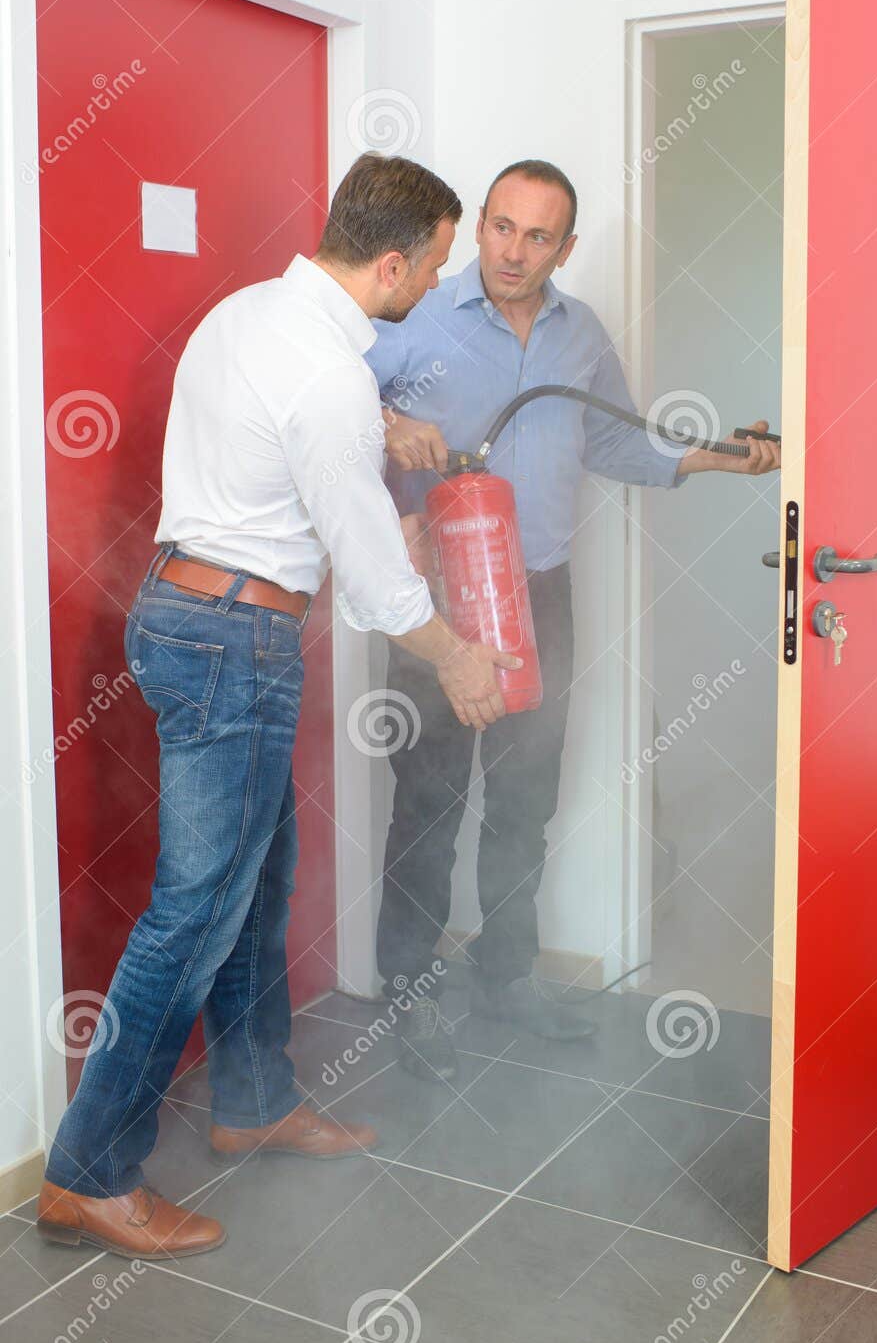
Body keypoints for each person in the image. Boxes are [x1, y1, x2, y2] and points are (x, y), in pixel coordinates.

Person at [37, 154, 519, 1261]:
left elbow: (294, 495)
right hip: (233, 642)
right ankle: (89, 1170)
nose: (439, 281)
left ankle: (254, 1097)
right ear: (391, 260)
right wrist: (454, 655)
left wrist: (363, 514)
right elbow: (372, 568)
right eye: (438, 262)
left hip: (191, 610)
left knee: (254, 883)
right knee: (196, 912)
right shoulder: (327, 374)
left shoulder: (246, 314)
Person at [368, 158, 780, 1081]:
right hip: (435, 605)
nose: (514, 252)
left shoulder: (579, 335)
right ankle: (409, 991)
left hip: (539, 593)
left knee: (525, 801)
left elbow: (620, 443)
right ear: (478, 226)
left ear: (567, 247)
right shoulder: (416, 312)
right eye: (501, 227)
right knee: (430, 801)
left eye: (537, 236)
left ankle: (506, 976)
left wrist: (727, 461)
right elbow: (332, 411)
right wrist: (387, 430)